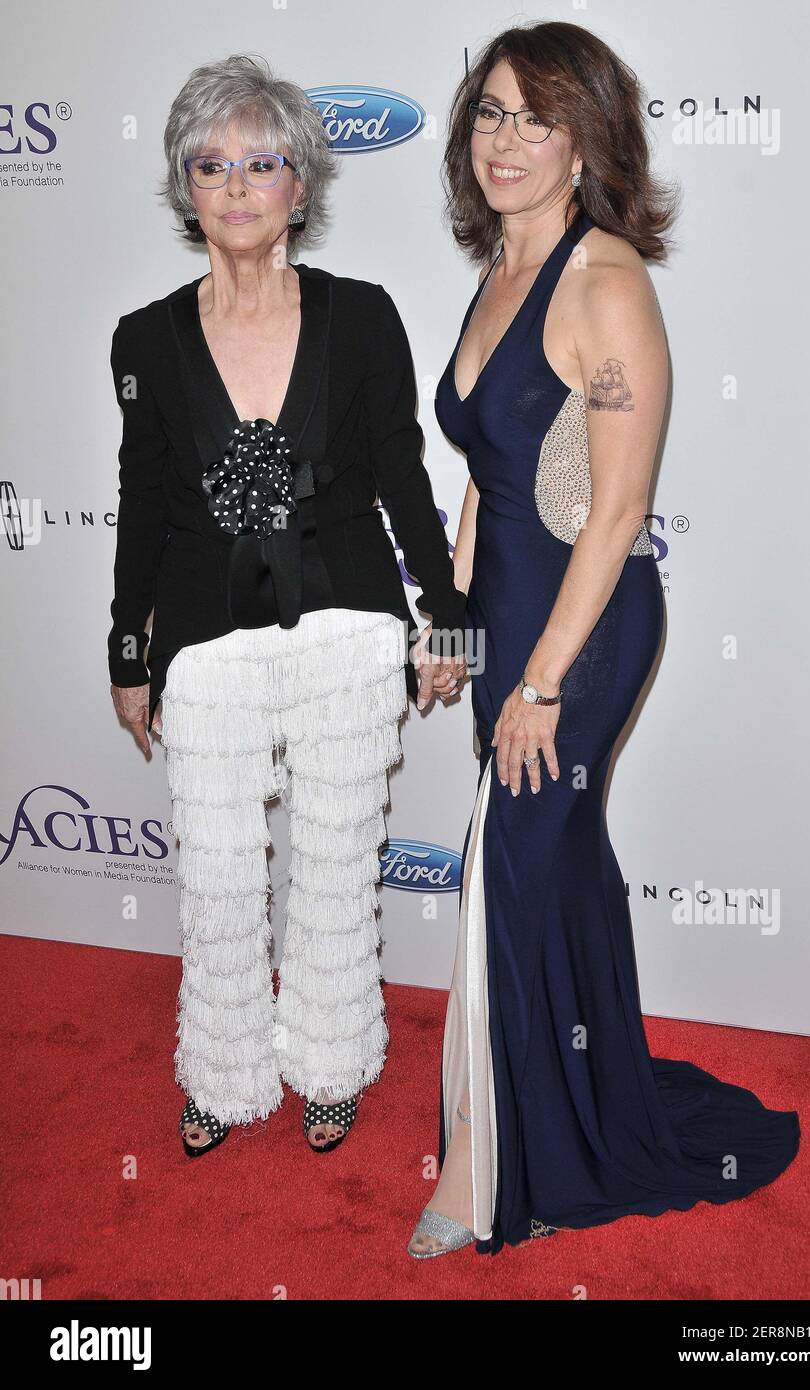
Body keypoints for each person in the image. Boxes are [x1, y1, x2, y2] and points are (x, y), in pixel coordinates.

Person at [408, 20, 799, 1257]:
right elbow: (485, 469)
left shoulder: (603, 280)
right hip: (510, 614)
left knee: (511, 864)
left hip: (583, 624)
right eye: (488, 113)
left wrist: (536, 679)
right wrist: (461, 630)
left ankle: (481, 1163)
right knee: (553, 859)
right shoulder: (501, 272)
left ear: (583, 141)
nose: (504, 141)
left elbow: (618, 507)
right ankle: (583, 1095)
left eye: (536, 117)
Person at [107, 53, 466, 1158]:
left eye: (261, 162)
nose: (235, 184)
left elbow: (403, 476)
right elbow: (143, 502)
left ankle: (328, 1061)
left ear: (300, 185)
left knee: (334, 864)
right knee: (216, 876)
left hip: (350, 627)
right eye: (208, 164)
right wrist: (130, 650)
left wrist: (445, 616)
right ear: (185, 188)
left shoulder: (362, 317)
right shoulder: (145, 336)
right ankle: (221, 1067)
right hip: (204, 640)